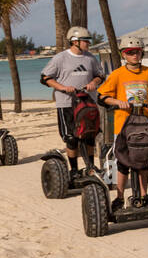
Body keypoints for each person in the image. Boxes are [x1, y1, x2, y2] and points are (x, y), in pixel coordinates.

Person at [97, 36, 148, 211]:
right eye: (130, 52)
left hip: (147, 123)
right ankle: (119, 197)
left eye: (137, 52)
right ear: (124, 55)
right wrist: (117, 102)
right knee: (122, 163)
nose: (134, 55)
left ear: (142, 52)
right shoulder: (117, 74)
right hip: (123, 126)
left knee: (144, 161)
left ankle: (144, 195)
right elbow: (102, 97)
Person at [40, 27, 105, 175]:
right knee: (71, 138)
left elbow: (100, 75)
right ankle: (74, 170)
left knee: (89, 135)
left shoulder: (90, 58)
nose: (88, 43)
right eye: (85, 41)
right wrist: (62, 87)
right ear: (74, 41)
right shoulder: (60, 58)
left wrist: (94, 82)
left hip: (88, 103)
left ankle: (90, 167)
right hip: (67, 103)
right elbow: (45, 78)